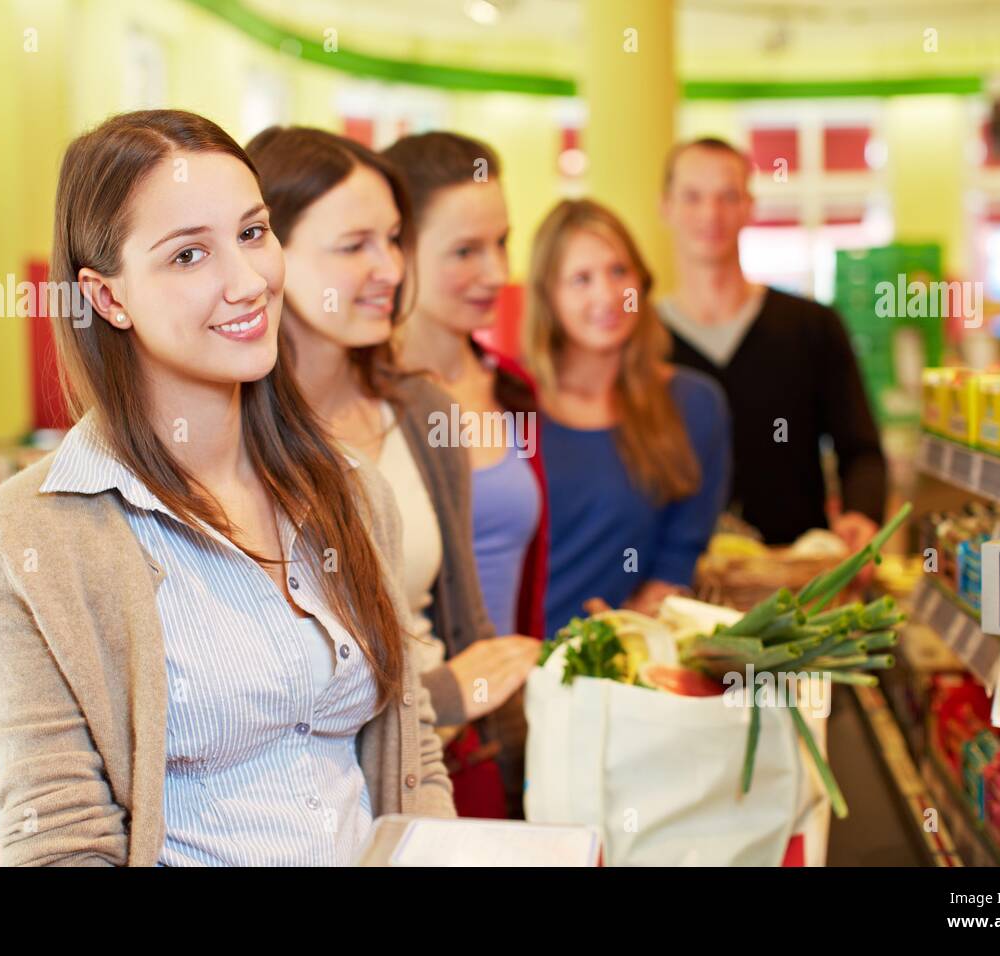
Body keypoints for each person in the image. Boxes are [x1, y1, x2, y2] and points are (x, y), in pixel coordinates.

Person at [0, 109, 454, 867]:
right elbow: (59, 838)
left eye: (253, 233)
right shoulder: (28, 537)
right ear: (108, 297)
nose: (248, 282)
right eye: (188, 256)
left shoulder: (351, 490)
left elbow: (411, 752)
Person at [244, 126, 538, 819]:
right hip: (299, 814)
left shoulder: (421, 411)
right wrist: (439, 696)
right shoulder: (230, 438)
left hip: (440, 777)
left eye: (394, 239)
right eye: (355, 246)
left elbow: (465, 624)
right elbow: (252, 702)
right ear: (265, 256)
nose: (391, 269)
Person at [659, 136, 887, 548]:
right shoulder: (641, 340)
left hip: (799, 587)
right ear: (666, 208)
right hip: (675, 587)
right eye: (692, 197)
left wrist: (859, 515)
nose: (710, 213)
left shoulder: (812, 325)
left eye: (727, 196)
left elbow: (862, 450)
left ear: (750, 207)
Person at [524, 198, 731, 634]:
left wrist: (620, 637)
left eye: (619, 272)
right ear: (548, 297)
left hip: (615, 670)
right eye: (580, 279)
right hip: (505, 668)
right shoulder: (509, 407)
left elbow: (678, 558)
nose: (607, 294)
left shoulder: (694, 405)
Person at [382, 131, 549, 642]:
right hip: (417, 712)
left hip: (507, 707)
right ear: (397, 250)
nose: (497, 272)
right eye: (465, 251)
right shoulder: (359, 401)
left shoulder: (512, 386)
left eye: (501, 243)